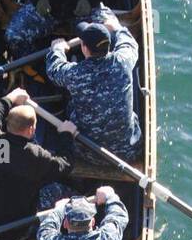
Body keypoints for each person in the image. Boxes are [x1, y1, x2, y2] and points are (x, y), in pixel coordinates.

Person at [0, 87, 75, 235]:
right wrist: (66, 135)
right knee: (58, 190)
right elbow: (65, 164)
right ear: (31, 130)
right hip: (10, 236)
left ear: (7, 123)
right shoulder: (37, 157)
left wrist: (10, 98)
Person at [45, 13, 142, 162]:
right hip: (128, 151)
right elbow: (130, 43)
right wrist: (116, 27)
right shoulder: (123, 61)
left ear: (84, 48)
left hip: (89, 154)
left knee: (69, 104)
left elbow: (54, 70)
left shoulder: (76, 74)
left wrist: (57, 49)